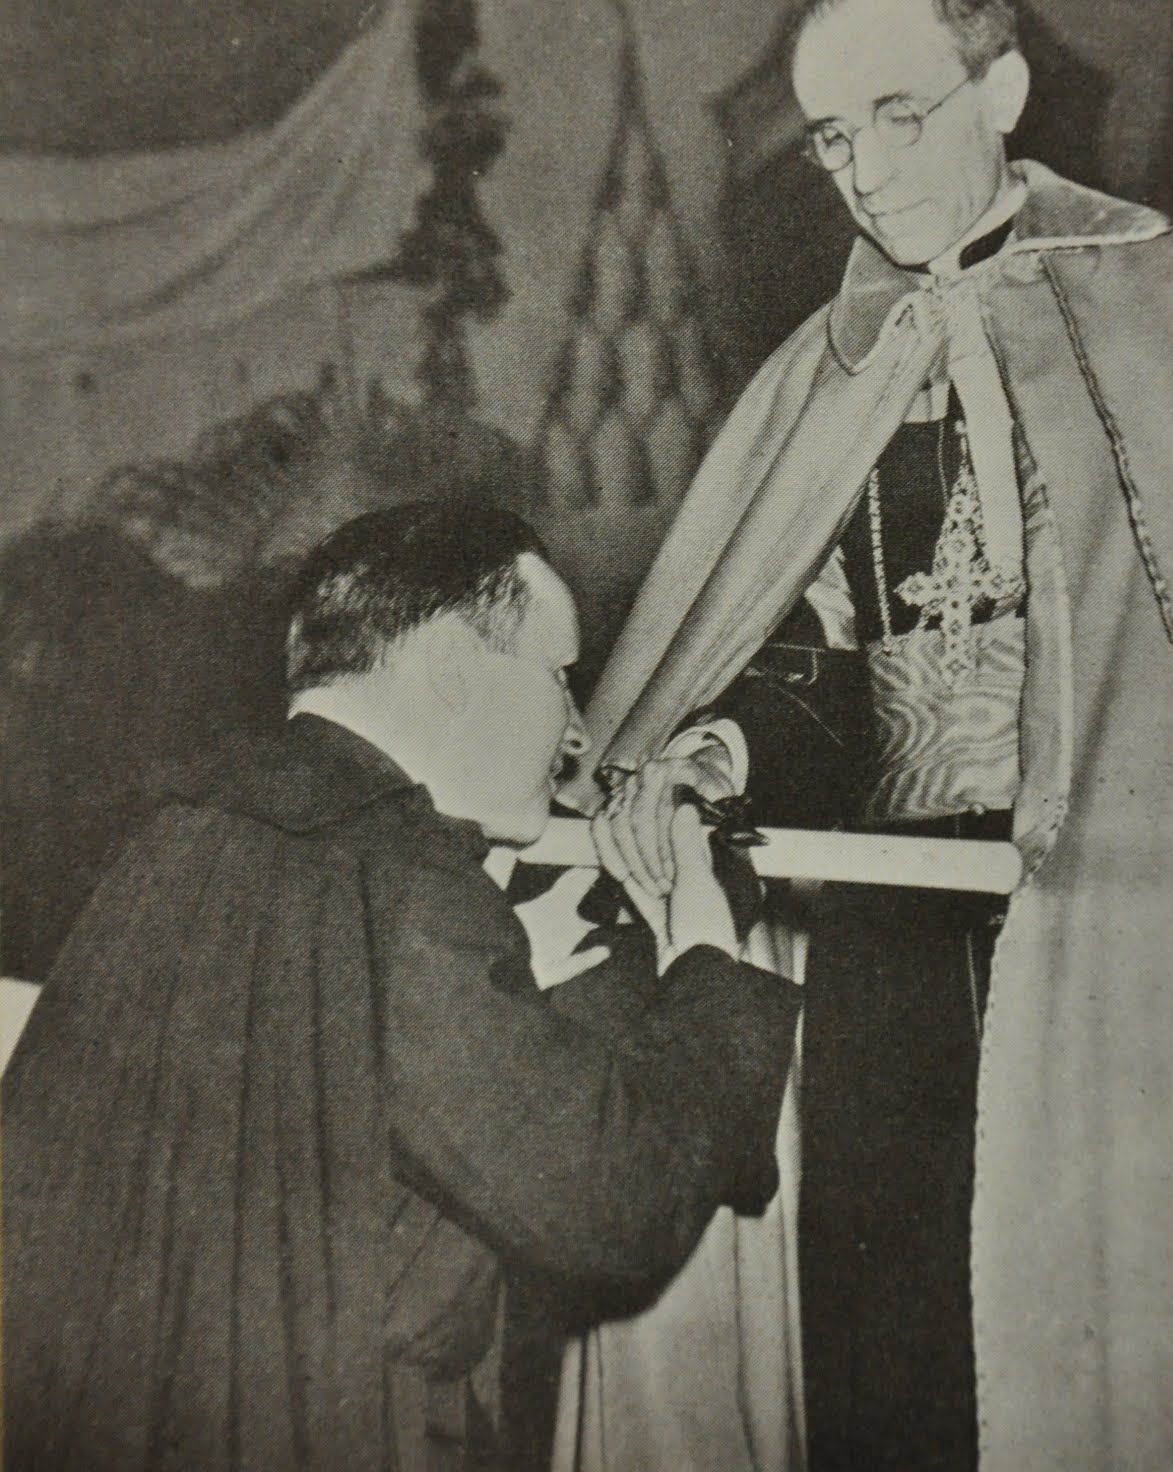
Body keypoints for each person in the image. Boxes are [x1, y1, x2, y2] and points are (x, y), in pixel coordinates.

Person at [577, 0, 1173, 1471]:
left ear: (998, 92)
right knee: (896, 1352)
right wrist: (722, 742)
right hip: (890, 946)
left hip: (1143, 943)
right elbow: (799, 642)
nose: (865, 173)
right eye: (829, 138)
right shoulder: (816, 377)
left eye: (897, 114)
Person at [2, 500, 802, 1472]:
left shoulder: (179, 831)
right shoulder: (404, 882)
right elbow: (613, 1204)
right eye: (558, 675)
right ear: (455, 666)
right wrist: (703, 948)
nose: (579, 739)